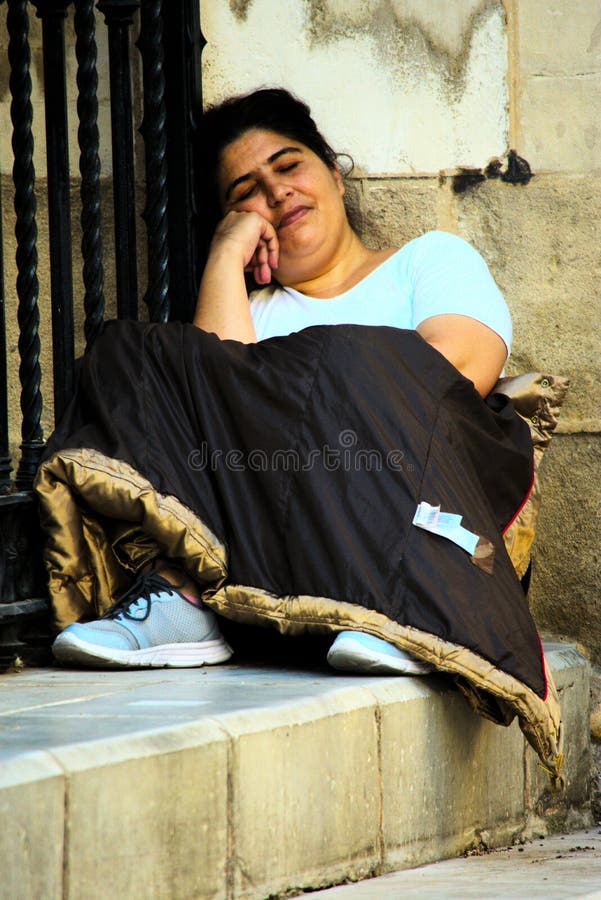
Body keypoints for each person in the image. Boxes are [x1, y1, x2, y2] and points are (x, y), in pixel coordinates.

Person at [50, 88, 513, 674]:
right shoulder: (255, 313)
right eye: (246, 195)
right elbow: (210, 404)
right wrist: (225, 253)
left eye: (289, 165)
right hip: (277, 516)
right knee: (132, 354)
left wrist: (323, 386)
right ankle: (187, 602)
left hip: (406, 495)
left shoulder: (428, 260)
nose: (275, 192)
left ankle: (407, 610)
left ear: (336, 175)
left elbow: (455, 374)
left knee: (348, 359)